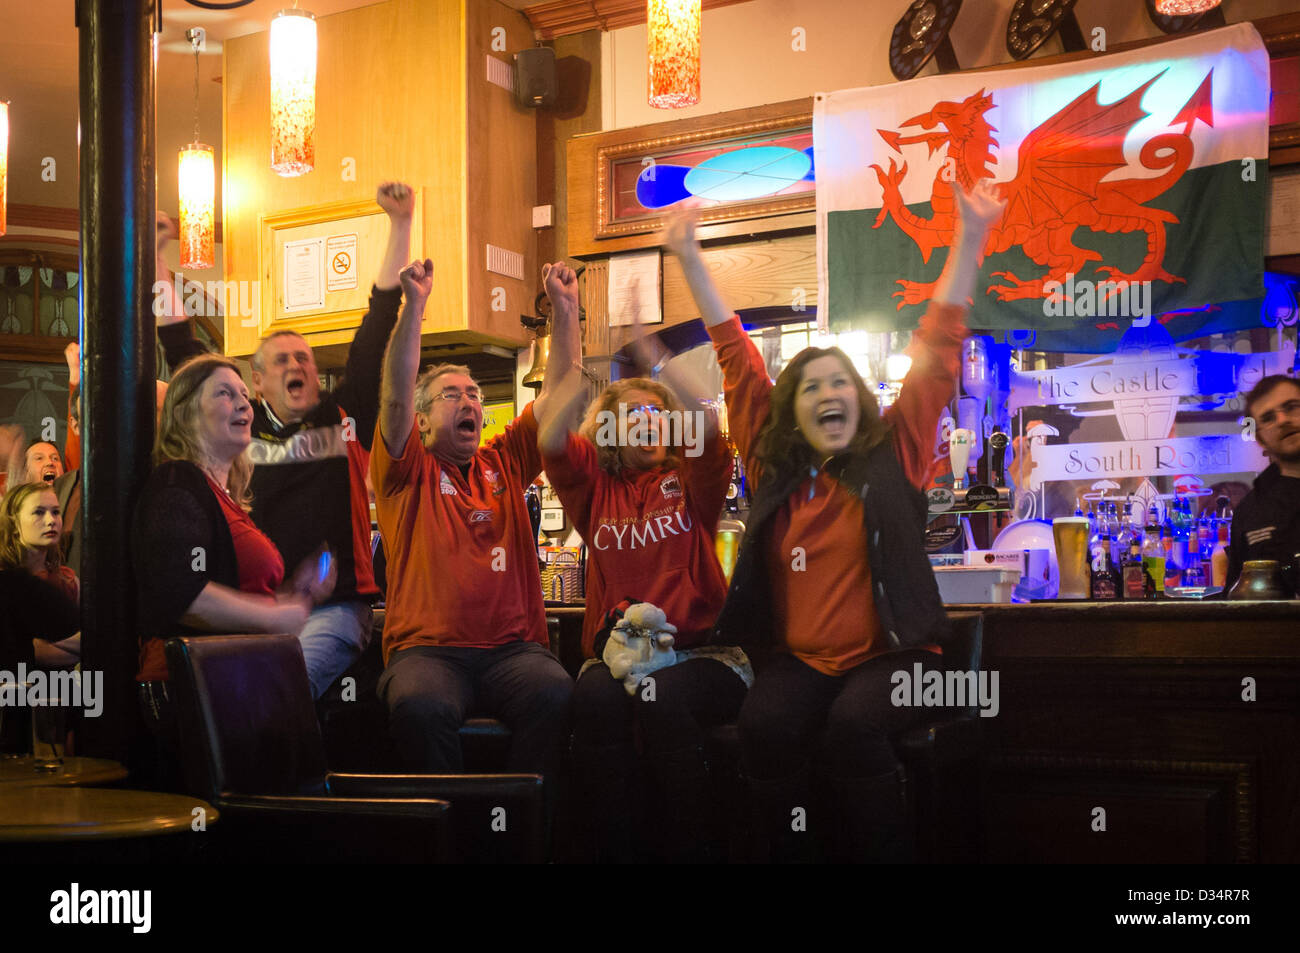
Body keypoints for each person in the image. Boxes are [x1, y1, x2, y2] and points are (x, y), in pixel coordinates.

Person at [670, 180, 1004, 862]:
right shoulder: (772, 467)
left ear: (860, 399)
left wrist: (972, 235)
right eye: (812, 385)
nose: (828, 391)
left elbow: (938, 346)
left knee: (854, 725)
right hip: (805, 663)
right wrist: (689, 257)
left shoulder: (896, 448)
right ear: (791, 410)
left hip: (900, 657)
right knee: (763, 724)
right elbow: (737, 360)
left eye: (840, 381)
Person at [154, 184, 414, 698]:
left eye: (304, 359)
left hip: (336, 608)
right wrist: (158, 258)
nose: (297, 365)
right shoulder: (238, 428)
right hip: (255, 608)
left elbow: (379, 321)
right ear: (256, 381)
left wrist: (400, 223)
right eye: (282, 360)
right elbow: (182, 349)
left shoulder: (343, 415)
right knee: (220, 696)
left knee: (277, 692)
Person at [536, 261, 747, 861]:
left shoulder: (691, 480)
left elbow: (705, 423)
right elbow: (551, 438)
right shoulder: (593, 489)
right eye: (631, 414)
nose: (647, 421)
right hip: (617, 653)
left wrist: (653, 353)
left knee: (661, 698)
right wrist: (567, 319)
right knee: (593, 701)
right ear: (607, 432)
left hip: (703, 655)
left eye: (657, 413)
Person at [371, 258, 572, 776]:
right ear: (421, 420)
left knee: (556, 692)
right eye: (452, 394)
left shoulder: (504, 460)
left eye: (475, 394)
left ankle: (518, 816)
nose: (469, 401)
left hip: (514, 653)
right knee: (420, 706)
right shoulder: (405, 470)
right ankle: (450, 822)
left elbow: (559, 394)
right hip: (428, 654)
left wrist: (566, 308)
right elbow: (395, 395)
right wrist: (413, 308)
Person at [132, 354, 335, 785]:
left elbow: (229, 586)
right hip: (194, 689)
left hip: (235, 682)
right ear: (186, 412)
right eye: (225, 393)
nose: (244, 403)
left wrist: (290, 595)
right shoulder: (177, 481)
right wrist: (275, 615)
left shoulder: (223, 495)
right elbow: (180, 593)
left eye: (245, 394)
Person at [1227, 374, 1300, 592]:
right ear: (1260, 439)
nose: (1282, 420)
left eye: (1291, 407)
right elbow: (1236, 598)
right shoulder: (1251, 511)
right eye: (1268, 418)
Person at [0, 481, 81, 669]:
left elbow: (96, 639)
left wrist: (40, 646)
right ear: (14, 522)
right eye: (38, 512)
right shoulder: (6, 583)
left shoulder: (68, 580)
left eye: (56, 512)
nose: (51, 520)